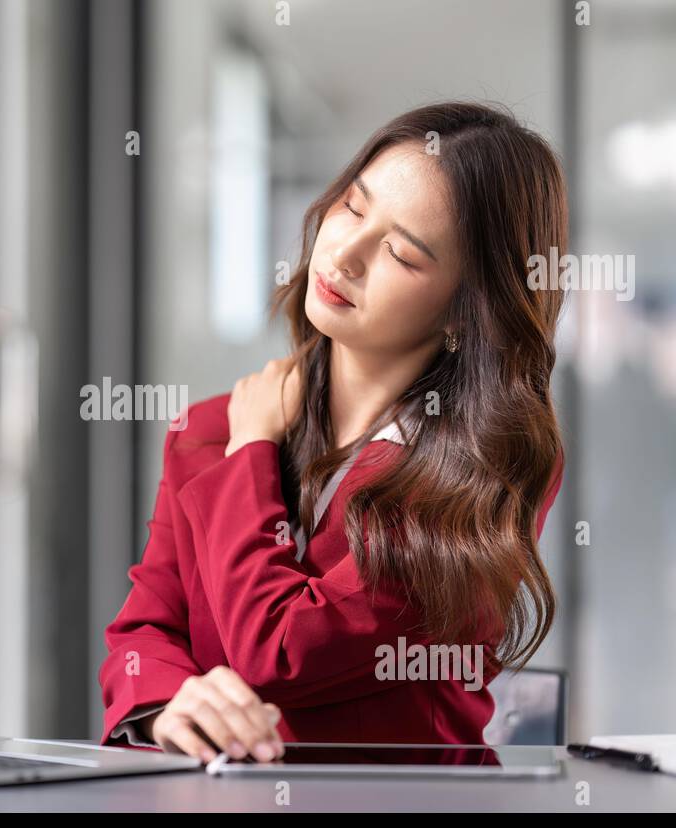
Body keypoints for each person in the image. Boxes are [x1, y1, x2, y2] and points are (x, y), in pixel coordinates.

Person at [99, 101, 568, 763]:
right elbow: (143, 631)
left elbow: (282, 649)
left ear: (468, 311)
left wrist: (252, 453)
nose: (344, 254)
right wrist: (168, 706)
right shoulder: (211, 427)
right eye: (352, 206)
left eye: (402, 253)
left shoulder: (481, 470)